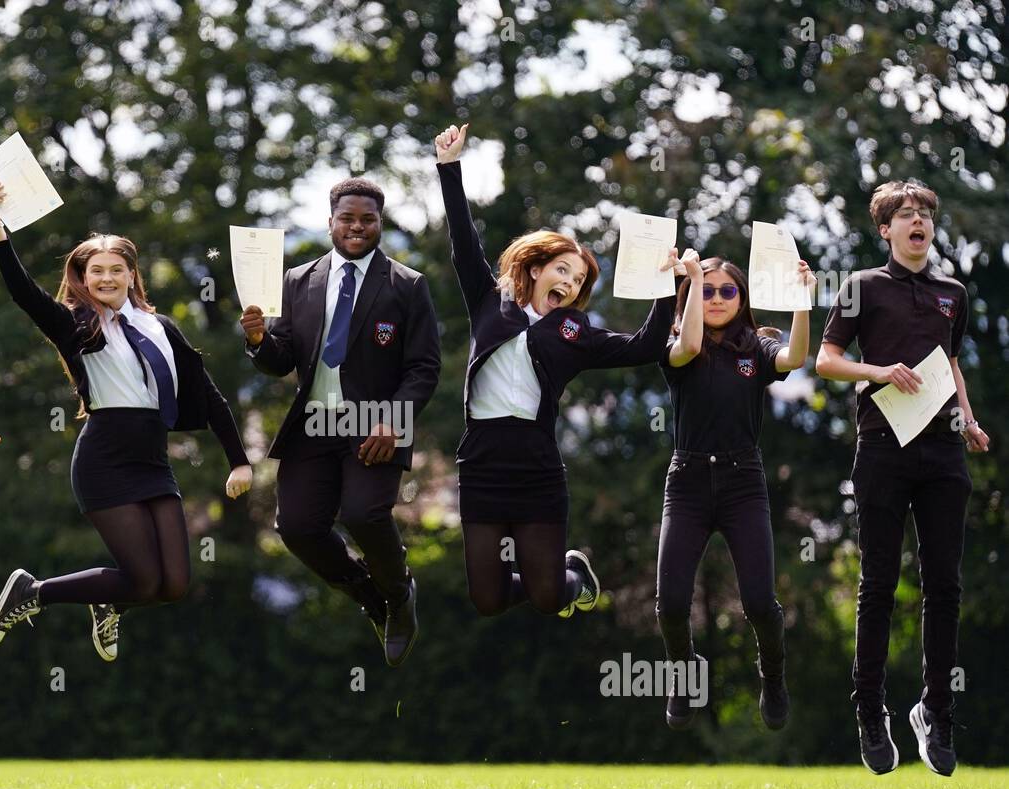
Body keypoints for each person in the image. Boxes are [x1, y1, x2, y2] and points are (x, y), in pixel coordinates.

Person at [0, 184, 252, 664]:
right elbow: (24, 292)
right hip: (104, 461)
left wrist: (239, 461)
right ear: (83, 277)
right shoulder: (75, 325)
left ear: (131, 275)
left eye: (115, 270)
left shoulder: (161, 327)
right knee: (144, 578)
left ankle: (107, 602)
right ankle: (33, 591)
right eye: (95, 271)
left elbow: (208, 395)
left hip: (153, 463)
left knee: (174, 585)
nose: (106, 278)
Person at [434, 123, 673, 621]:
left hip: (536, 467)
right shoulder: (489, 301)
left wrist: (666, 288)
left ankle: (570, 575)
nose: (569, 280)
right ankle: (549, 573)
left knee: (547, 596)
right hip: (481, 462)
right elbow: (462, 242)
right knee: (488, 599)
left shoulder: (575, 333)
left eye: (579, 278)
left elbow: (646, 346)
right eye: (562, 269)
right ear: (537, 268)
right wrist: (450, 168)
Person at [816, 179, 990, 777]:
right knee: (878, 585)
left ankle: (935, 712)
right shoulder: (862, 286)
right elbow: (826, 359)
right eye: (905, 215)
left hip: (943, 454)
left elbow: (952, 362)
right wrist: (880, 371)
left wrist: (967, 418)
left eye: (924, 215)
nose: (918, 221)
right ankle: (870, 711)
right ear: (885, 230)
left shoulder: (952, 292)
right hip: (883, 447)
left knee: (945, 587)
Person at [238, 178, 440, 667]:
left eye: (367, 219)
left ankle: (400, 594)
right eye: (347, 218)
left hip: (376, 423)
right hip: (313, 424)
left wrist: (393, 420)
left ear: (379, 224)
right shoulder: (296, 281)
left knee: (363, 515)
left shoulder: (407, 285)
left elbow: (424, 367)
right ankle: (372, 599)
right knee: (298, 527)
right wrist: (261, 340)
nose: (356, 227)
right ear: (331, 221)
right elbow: (281, 360)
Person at [655, 251, 812, 731]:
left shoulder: (755, 348)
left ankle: (773, 676)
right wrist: (693, 278)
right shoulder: (675, 344)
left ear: (742, 299)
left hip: (744, 484)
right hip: (688, 484)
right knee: (673, 602)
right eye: (706, 290)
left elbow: (796, 357)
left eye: (727, 290)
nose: (717, 297)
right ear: (690, 297)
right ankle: (683, 675)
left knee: (761, 603)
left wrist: (802, 302)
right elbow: (687, 345)